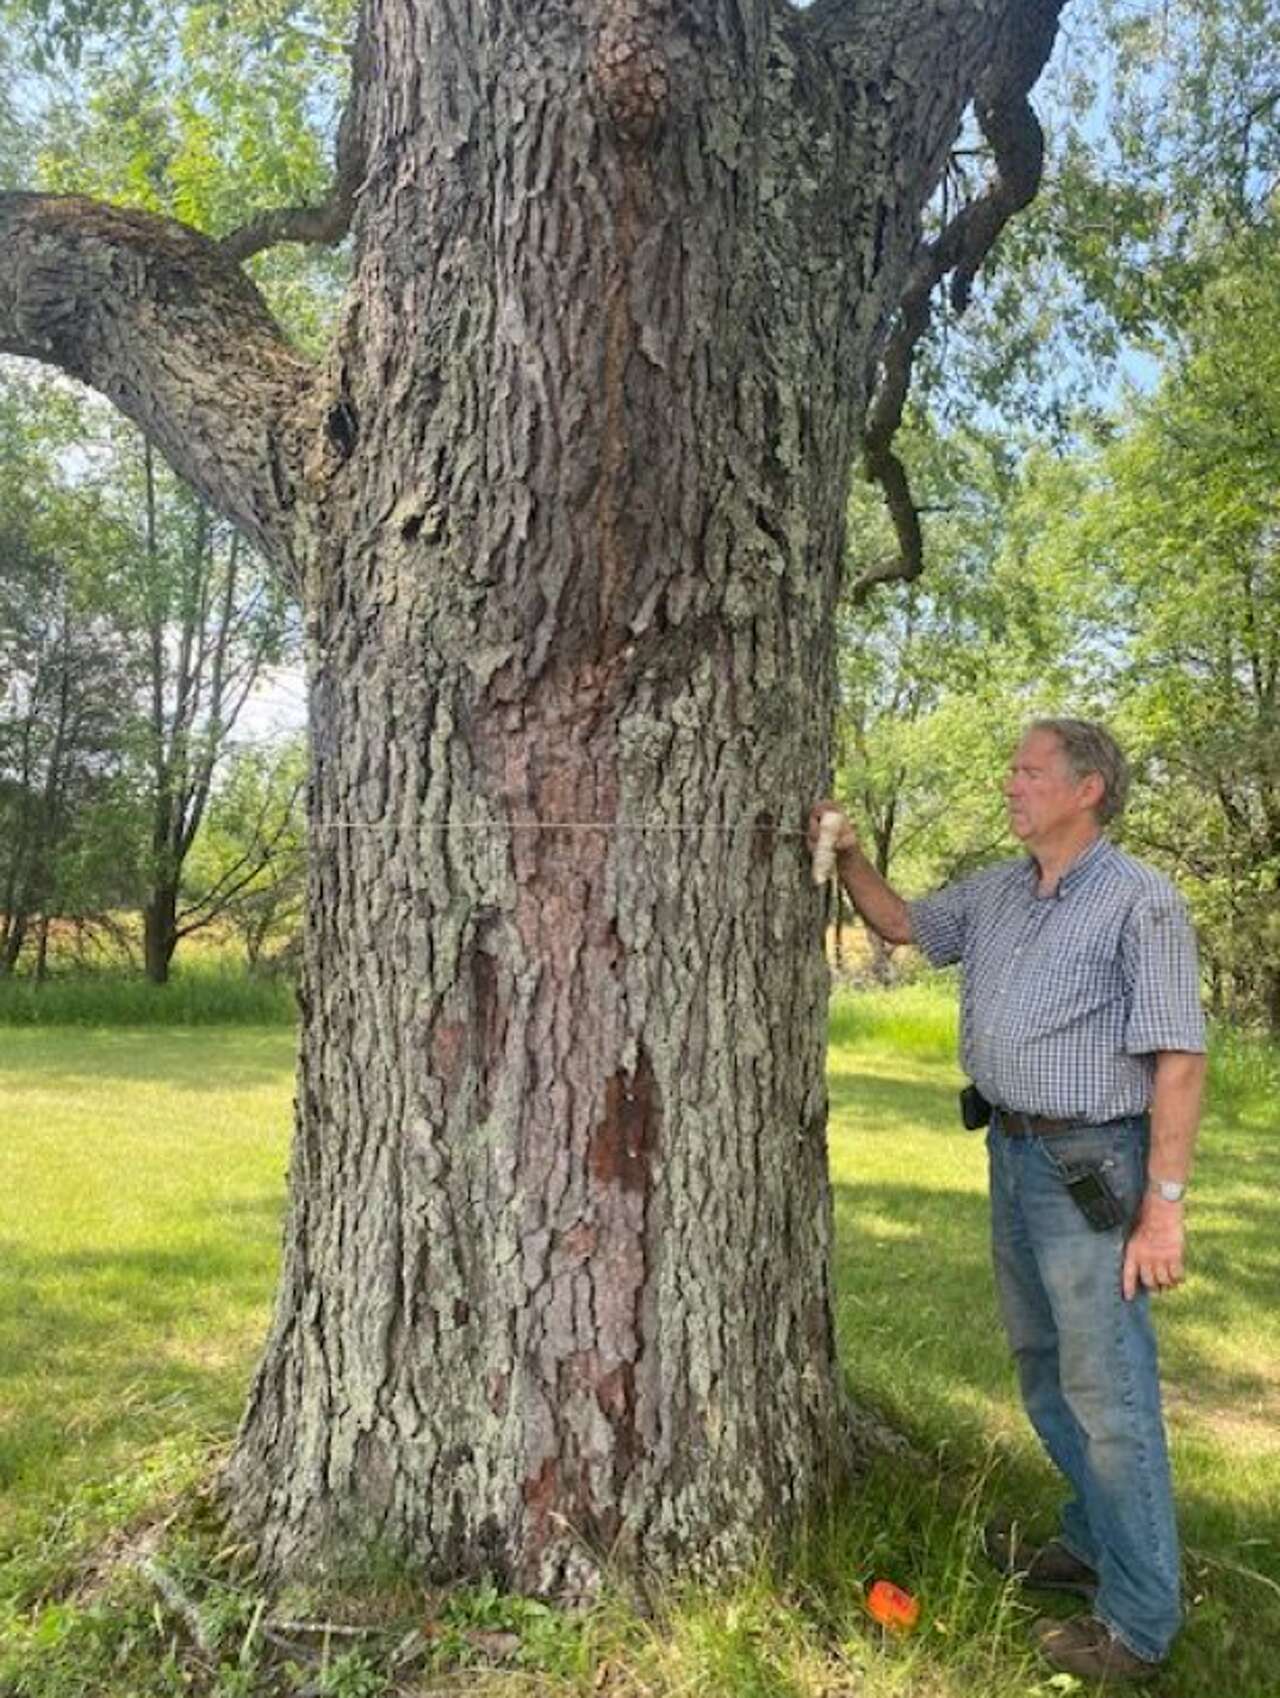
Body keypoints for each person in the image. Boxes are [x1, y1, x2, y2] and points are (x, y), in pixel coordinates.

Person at [810, 719, 1207, 1684]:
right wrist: (851, 856)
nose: (1009, 784)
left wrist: (1163, 1208)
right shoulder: (997, 890)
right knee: (1044, 1371)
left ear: (1087, 789)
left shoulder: (1140, 902)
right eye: (1011, 770)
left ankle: (1139, 1623)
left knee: (1108, 1392)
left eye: (1029, 771)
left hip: (1092, 1167)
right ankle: (1094, 1542)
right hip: (1015, 1152)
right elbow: (903, 925)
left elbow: (1181, 1060)